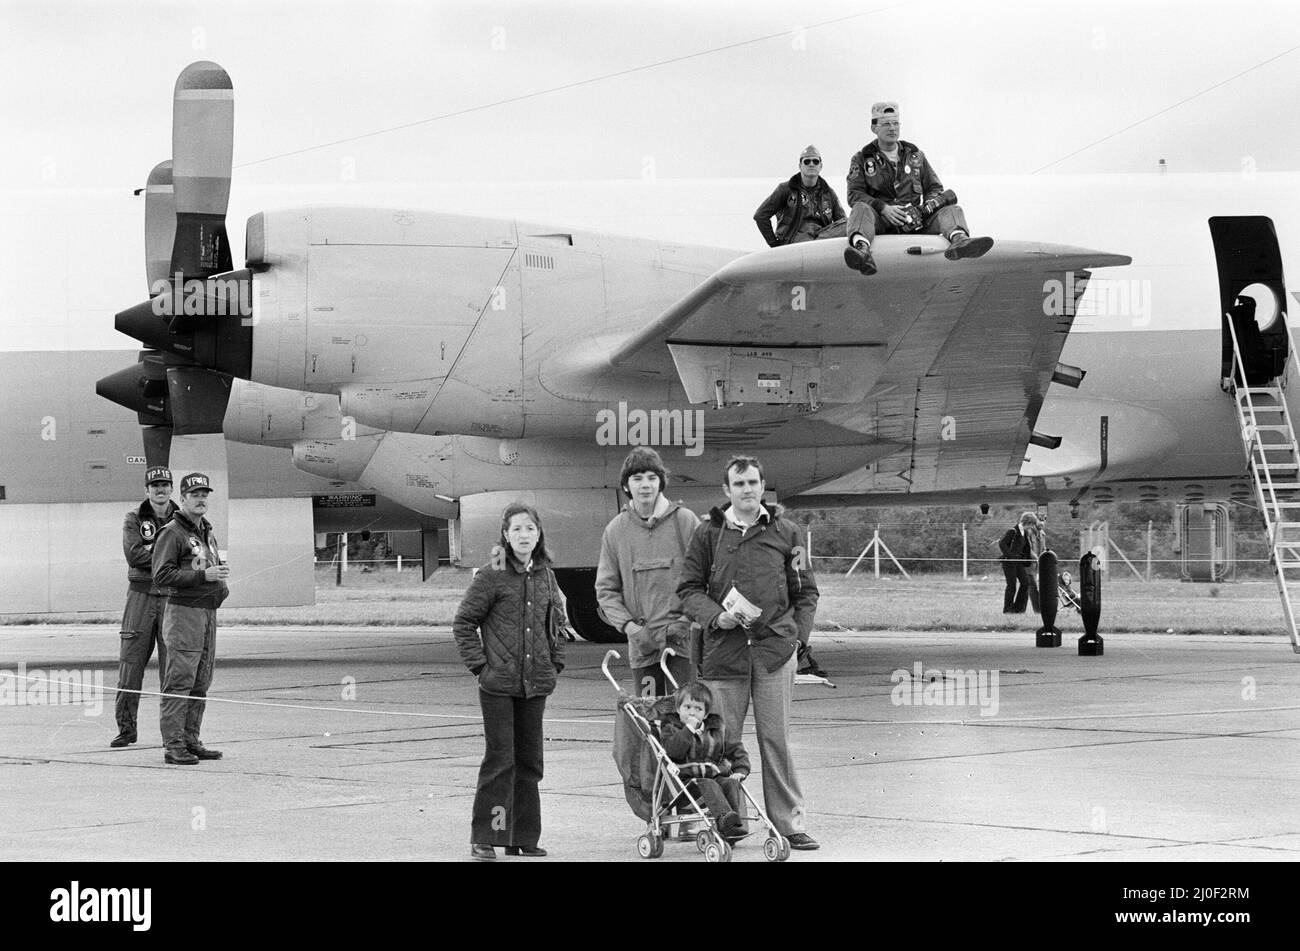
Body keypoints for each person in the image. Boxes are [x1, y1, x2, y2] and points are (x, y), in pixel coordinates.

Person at [676, 455, 821, 851]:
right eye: (739, 484)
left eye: (753, 482)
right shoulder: (707, 534)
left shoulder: (789, 533)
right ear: (727, 490)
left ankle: (789, 824)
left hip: (775, 652)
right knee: (724, 743)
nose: (747, 490)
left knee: (777, 740)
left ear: (762, 486)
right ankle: (730, 821)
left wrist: (798, 639)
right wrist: (714, 617)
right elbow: (687, 590)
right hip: (724, 657)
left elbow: (806, 591)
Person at [453, 502, 568, 862]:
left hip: (535, 683)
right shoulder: (491, 575)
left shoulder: (546, 576)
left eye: (530, 529)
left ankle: (522, 837)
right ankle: (486, 836)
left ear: (539, 534)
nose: (524, 535)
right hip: (498, 685)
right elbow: (463, 624)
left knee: (530, 762)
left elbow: (557, 624)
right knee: (501, 760)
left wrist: (556, 662)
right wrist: (481, 669)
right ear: (505, 535)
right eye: (516, 529)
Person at [595, 447, 702, 697]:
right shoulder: (615, 530)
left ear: (661, 482)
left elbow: (705, 577)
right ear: (626, 485)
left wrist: (686, 621)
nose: (645, 485)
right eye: (637, 478)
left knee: (684, 716)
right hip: (643, 646)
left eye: (652, 478)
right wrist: (631, 628)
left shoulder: (685, 521)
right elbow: (605, 590)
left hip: (681, 643)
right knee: (649, 716)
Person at [843, 101, 993, 276]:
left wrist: (926, 208)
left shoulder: (915, 155)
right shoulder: (862, 158)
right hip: (881, 222)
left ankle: (959, 240)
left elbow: (934, 186)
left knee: (952, 209)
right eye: (886, 124)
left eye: (895, 123)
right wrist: (883, 209)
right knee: (860, 209)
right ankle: (862, 251)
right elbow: (854, 194)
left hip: (915, 221)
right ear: (874, 128)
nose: (892, 128)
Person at [151, 472, 229, 765]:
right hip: (184, 614)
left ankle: (191, 740)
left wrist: (219, 583)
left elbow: (212, 566)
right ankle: (173, 745)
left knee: (201, 680)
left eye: (204, 494)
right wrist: (202, 576)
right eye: (194, 494)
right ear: (181, 498)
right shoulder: (172, 532)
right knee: (180, 679)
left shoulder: (205, 531)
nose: (201, 499)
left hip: (207, 613)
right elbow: (161, 575)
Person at [110, 467, 177, 748]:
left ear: (172, 489)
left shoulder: (183, 519)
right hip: (140, 596)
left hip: (172, 598)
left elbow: (187, 556)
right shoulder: (134, 518)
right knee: (130, 663)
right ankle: (127, 730)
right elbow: (133, 554)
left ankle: (172, 735)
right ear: (146, 490)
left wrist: (156, 555)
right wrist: (168, 557)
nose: (160, 490)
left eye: (165, 485)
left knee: (173, 668)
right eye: (155, 485)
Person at [657, 681, 749, 843]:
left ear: (705, 714)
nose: (692, 712)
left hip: (713, 778)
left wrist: (740, 769)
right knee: (709, 783)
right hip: (685, 784)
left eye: (698, 709)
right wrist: (688, 730)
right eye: (687, 707)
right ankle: (723, 819)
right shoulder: (671, 727)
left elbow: (735, 749)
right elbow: (673, 751)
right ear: (678, 709)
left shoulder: (715, 728)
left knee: (730, 783)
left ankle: (731, 826)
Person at [753, 145, 847, 247]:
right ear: (800, 166)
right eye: (807, 161)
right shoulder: (785, 189)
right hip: (794, 243)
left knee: (853, 221)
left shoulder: (828, 193)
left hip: (820, 241)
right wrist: (775, 245)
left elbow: (841, 223)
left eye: (815, 161)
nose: (811, 164)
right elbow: (760, 216)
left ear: (821, 166)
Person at [998, 512, 1038, 614]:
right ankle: (1007, 609)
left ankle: (1018, 608)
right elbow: (1002, 544)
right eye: (1031, 524)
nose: (1032, 527)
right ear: (1027, 522)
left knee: (1025, 583)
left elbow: (1025, 548)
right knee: (1011, 586)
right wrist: (1011, 556)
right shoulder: (1013, 531)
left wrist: (1030, 559)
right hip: (1009, 562)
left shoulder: (1024, 532)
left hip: (1018, 562)